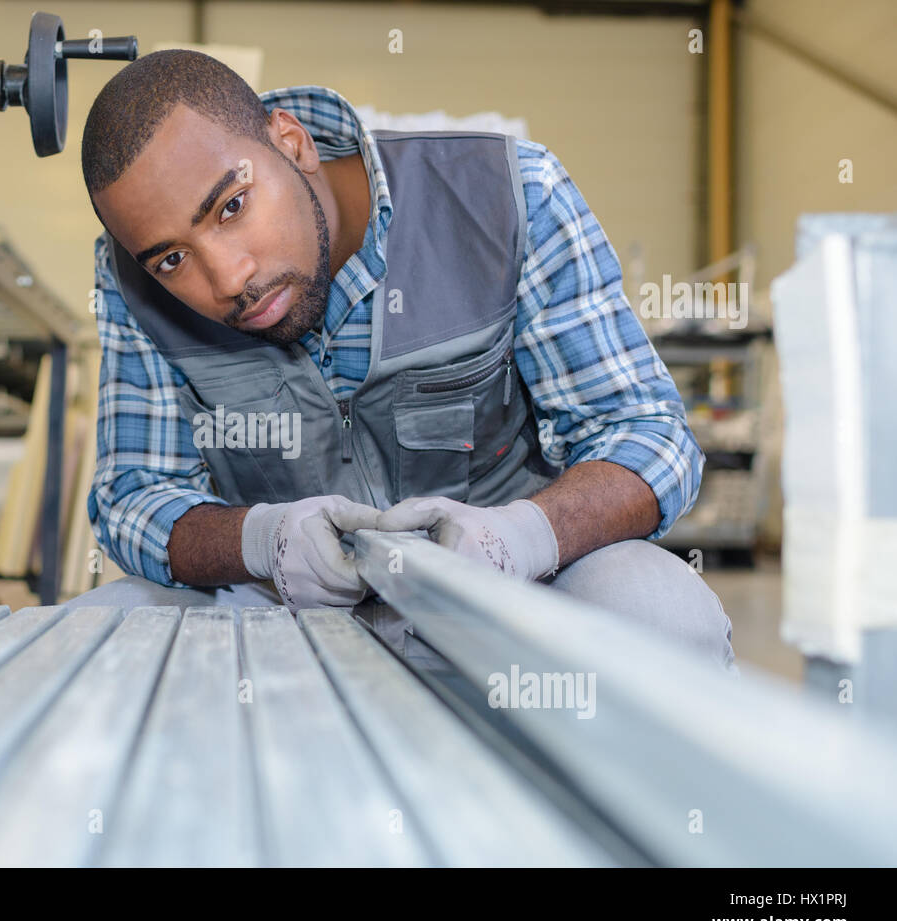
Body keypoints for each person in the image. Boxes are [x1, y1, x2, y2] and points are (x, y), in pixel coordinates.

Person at [66, 49, 735, 672]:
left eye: (233, 207)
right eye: (173, 259)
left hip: (520, 604)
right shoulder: (131, 281)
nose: (228, 277)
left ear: (291, 143)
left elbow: (646, 432)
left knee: (660, 612)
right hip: (282, 613)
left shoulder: (507, 197)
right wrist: (259, 539)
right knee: (95, 643)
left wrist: (519, 539)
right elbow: (135, 495)